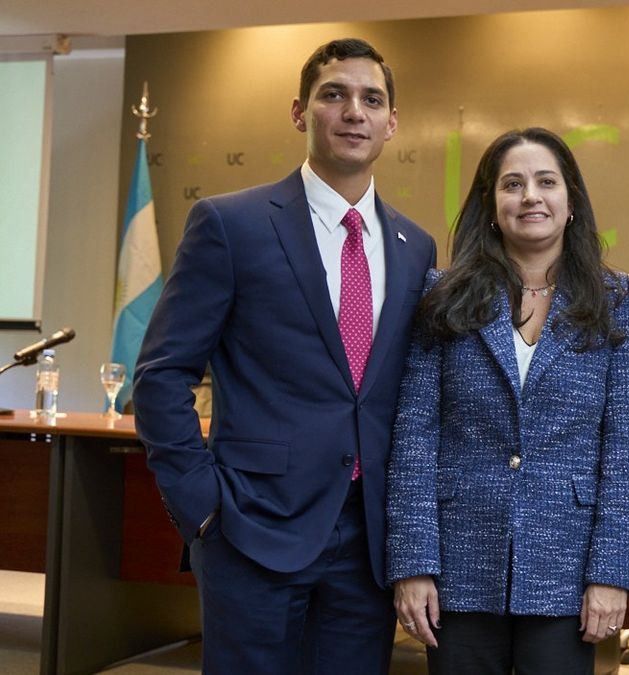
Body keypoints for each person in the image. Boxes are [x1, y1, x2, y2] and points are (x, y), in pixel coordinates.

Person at [133, 38, 436, 674]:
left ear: (391, 123)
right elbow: (161, 376)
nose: (354, 111)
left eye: (371, 99)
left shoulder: (416, 246)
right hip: (251, 529)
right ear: (301, 112)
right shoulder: (230, 224)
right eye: (335, 94)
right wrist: (204, 508)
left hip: (370, 543)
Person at [386, 127, 629, 674]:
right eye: (512, 184)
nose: (530, 195)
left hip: (569, 571)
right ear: (490, 206)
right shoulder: (442, 296)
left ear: (571, 200)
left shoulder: (619, 300)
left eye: (546, 182)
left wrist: (611, 575)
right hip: (457, 569)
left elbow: (626, 452)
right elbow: (413, 437)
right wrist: (413, 564)